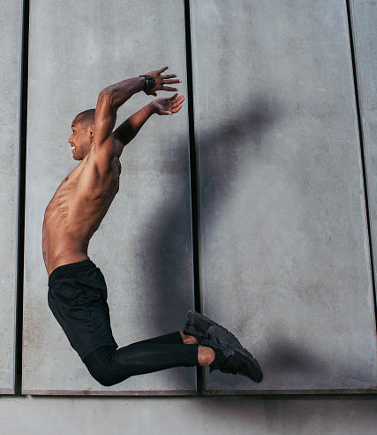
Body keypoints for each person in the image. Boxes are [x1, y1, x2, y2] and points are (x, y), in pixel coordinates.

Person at [42, 67, 263, 387]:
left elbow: (106, 98)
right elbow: (121, 137)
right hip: (67, 281)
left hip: (72, 279)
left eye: (74, 130)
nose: (69, 138)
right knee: (106, 364)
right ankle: (191, 337)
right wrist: (149, 109)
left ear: (92, 133)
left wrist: (145, 83)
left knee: (106, 367)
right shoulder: (102, 162)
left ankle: (213, 354)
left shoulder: (99, 165)